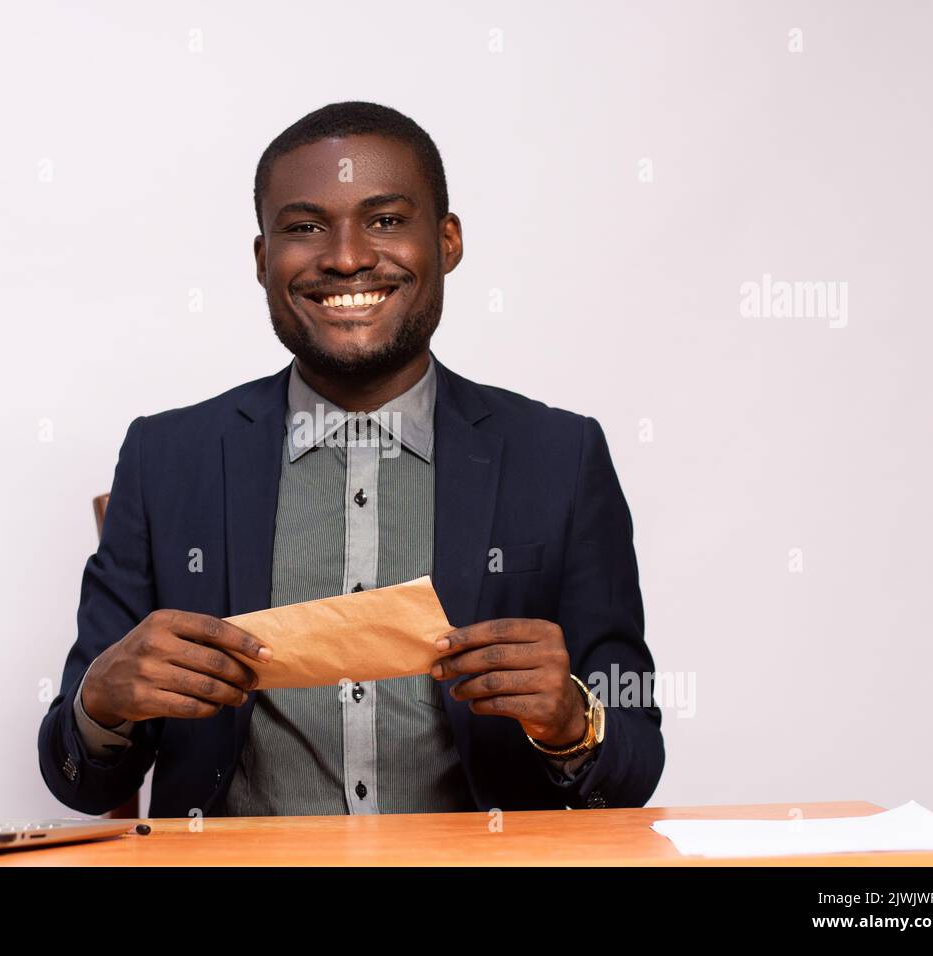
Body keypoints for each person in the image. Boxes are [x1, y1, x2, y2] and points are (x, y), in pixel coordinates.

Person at [38, 101, 664, 817]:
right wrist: (101, 702)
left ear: (449, 240)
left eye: (387, 220)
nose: (346, 256)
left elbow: (635, 765)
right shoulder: (167, 457)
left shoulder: (559, 456)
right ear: (262, 258)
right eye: (305, 227)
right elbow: (80, 780)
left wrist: (573, 723)